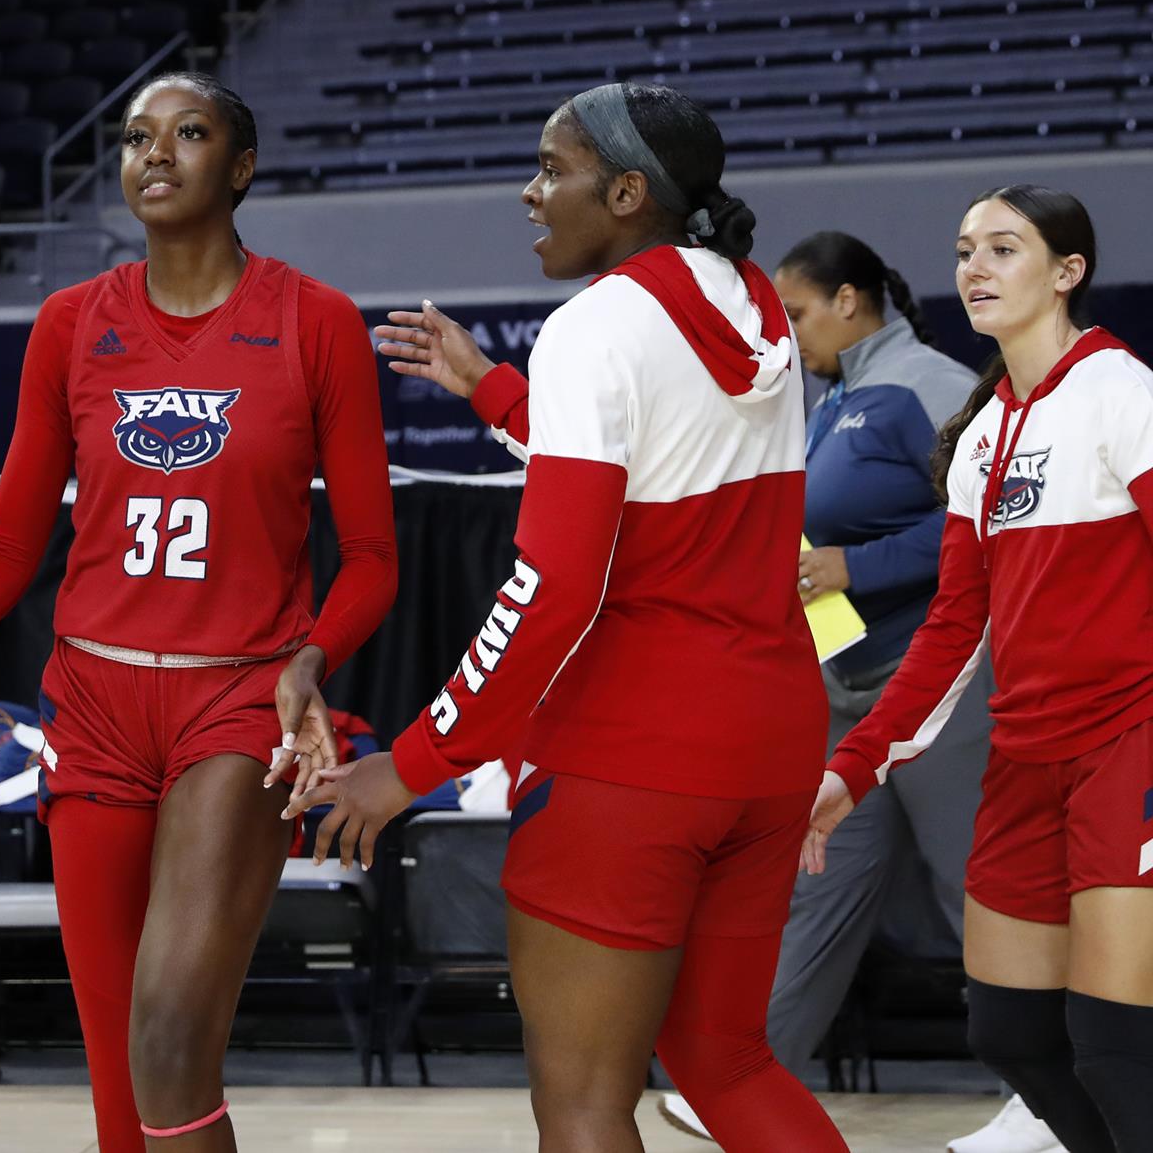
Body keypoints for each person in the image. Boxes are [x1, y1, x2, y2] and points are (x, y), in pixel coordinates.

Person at [0, 70, 398, 1151]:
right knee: (117, 1072)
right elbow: (9, 548)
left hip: (235, 704)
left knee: (169, 1037)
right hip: (92, 707)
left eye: (187, 134)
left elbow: (373, 558)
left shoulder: (315, 321)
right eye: (135, 137)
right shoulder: (67, 325)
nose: (154, 153)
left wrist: (311, 656)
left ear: (238, 168)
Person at [326, 81, 849, 1151]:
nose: (529, 193)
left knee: (581, 1102)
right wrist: (488, 387)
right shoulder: (752, 301)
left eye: (551, 170)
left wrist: (413, 758)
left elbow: (550, 587)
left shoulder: (594, 327)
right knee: (725, 1061)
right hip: (768, 736)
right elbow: (651, 470)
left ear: (622, 191)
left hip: (628, 754)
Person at [809, 186, 1153, 1153]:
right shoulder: (982, 434)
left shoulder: (1123, 393)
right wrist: (853, 766)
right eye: (965, 251)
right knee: (1009, 1029)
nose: (975, 268)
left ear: (1067, 271)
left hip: (1130, 747)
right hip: (1025, 760)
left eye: (1004, 248)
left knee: (1119, 1046)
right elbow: (954, 631)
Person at [659, 231, 1005, 1145]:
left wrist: (858, 565)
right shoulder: (833, 399)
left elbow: (995, 518)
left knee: (976, 884)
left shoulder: (923, 380)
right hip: (851, 688)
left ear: (850, 301)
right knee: (815, 889)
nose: (790, 328)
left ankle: (1048, 1092)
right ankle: (738, 1076)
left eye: (801, 311)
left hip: (936, 688)